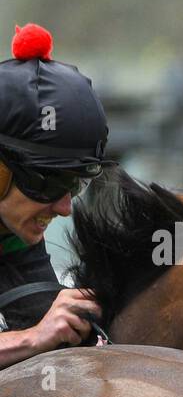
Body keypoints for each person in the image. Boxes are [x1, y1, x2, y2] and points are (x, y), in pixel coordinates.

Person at [0, 23, 108, 369]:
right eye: (49, 183)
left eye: (75, 184)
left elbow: (52, 330)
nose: (64, 208)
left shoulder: (13, 230)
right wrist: (31, 338)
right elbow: (38, 333)